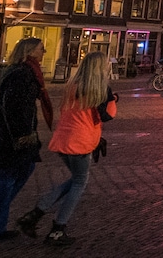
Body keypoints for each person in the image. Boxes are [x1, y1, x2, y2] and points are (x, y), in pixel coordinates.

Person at [17, 51, 117, 246]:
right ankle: (57, 228)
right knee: (79, 183)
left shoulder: (73, 85)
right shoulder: (101, 88)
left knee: (75, 180)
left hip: (63, 139)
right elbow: (107, 116)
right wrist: (112, 100)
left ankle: (35, 214)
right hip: (81, 142)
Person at [0, 37, 54, 242]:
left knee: (23, 171)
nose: (43, 52)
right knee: (7, 179)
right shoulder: (21, 74)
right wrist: (22, 138)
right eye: (40, 48)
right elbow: (13, 109)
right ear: (29, 51)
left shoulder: (22, 72)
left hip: (7, 133)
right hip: (7, 136)